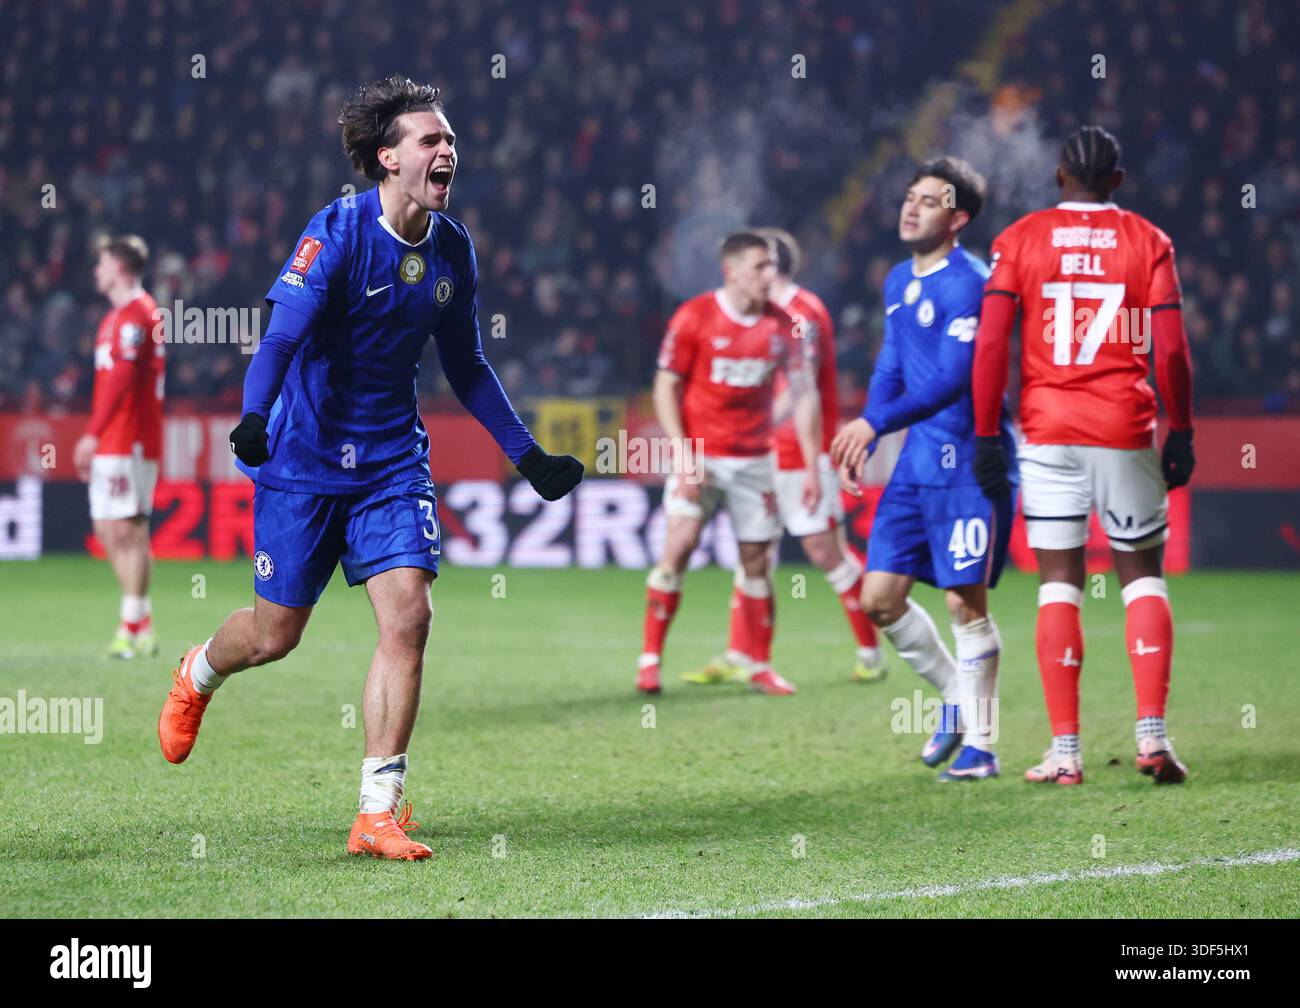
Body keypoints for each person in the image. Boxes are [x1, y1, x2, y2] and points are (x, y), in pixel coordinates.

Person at [156, 76, 583, 859]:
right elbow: (280, 339)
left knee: (409, 617)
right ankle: (198, 673)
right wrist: (254, 416)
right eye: (431, 139)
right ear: (388, 158)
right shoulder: (336, 233)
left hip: (390, 463)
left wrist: (528, 456)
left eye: (450, 139)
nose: (448, 150)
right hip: (303, 459)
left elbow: (467, 366)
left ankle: (376, 811)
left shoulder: (452, 249)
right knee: (273, 635)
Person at [971, 125, 1195, 786]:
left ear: (1058, 175)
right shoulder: (1148, 240)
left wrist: (986, 434)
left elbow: (992, 344)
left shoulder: (1021, 238)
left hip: (1048, 430)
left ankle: (1065, 753)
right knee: (1142, 579)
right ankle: (1152, 739)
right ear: (1117, 181)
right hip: (1123, 426)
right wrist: (1181, 429)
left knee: (1058, 584)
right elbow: (1172, 349)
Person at [832, 157, 1017, 782]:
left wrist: (874, 424)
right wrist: (869, 425)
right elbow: (891, 363)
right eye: (909, 197)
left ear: (958, 218)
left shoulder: (970, 282)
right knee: (878, 600)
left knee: (965, 604)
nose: (911, 207)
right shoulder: (897, 280)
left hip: (969, 464)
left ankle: (982, 749)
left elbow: (951, 379)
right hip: (916, 463)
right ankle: (958, 697)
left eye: (929, 201)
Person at [688, 228, 885, 686]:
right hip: (764, 454)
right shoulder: (756, 314)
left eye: (762, 262)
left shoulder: (801, 312)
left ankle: (872, 651)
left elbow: (800, 388)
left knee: (824, 550)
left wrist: (754, 426)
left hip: (801, 450)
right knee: (754, 552)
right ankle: (741, 654)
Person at [639, 231, 821, 697]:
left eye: (773, 265)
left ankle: (760, 665)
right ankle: (650, 660)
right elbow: (666, 386)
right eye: (760, 266)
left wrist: (812, 466)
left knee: (757, 561)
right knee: (680, 545)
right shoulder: (695, 316)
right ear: (732, 271)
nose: (770, 274)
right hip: (701, 455)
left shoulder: (786, 325)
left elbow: (804, 395)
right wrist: (682, 454)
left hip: (756, 460)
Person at [74, 235, 164, 660]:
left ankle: (130, 627)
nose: (97, 270)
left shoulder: (139, 313)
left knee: (129, 529)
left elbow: (124, 380)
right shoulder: (115, 317)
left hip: (131, 439)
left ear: (121, 267)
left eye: (103, 262)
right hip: (114, 438)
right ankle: (141, 624)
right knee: (108, 529)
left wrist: (92, 434)